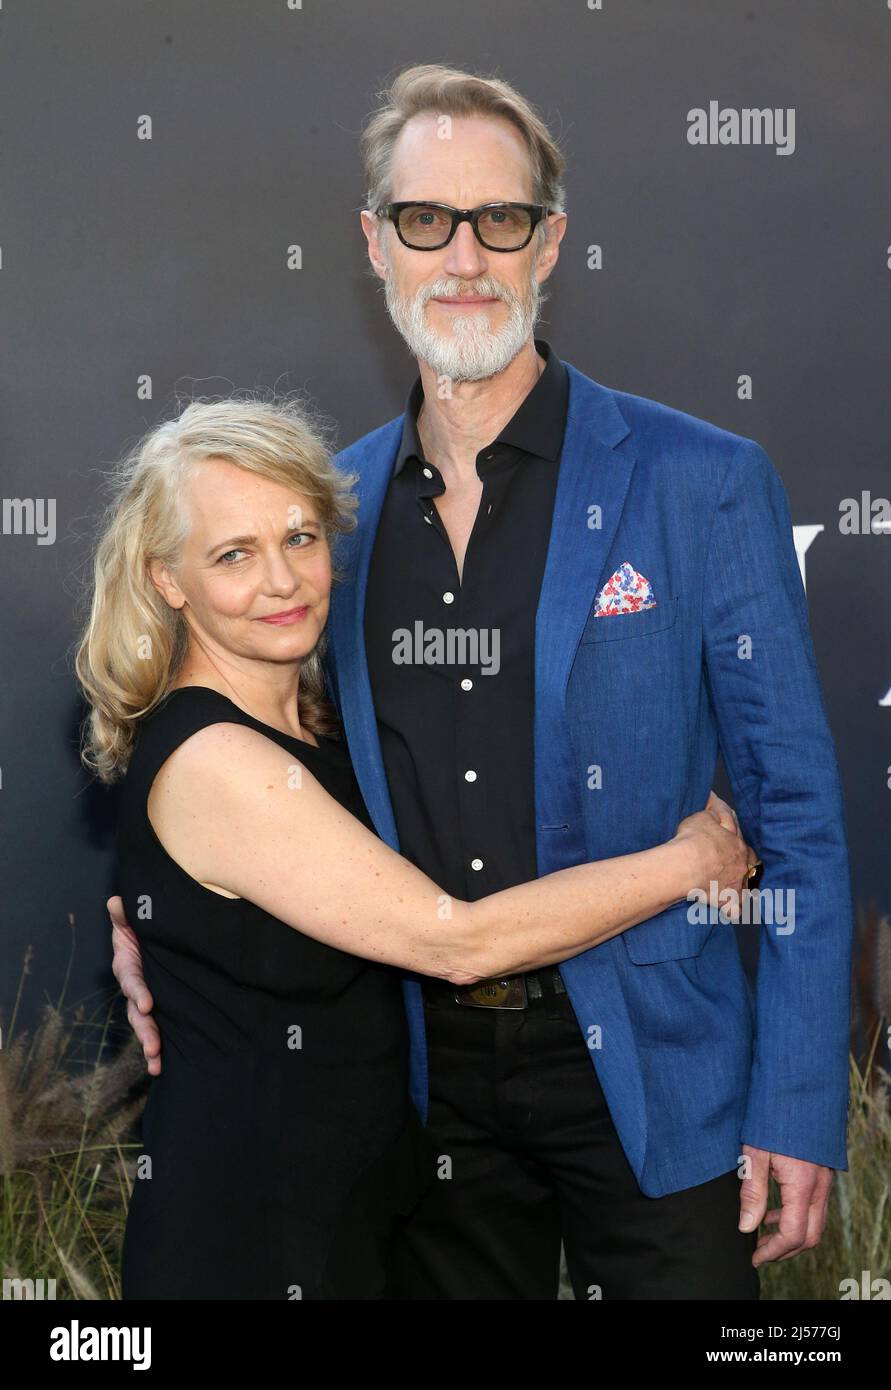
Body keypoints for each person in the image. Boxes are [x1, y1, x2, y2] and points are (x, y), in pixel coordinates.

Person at [111, 63, 854, 1301]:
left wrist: (799, 1100)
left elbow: (798, 822)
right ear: (375, 244)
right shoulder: (329, 525)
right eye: (425, 220)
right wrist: (150, 916)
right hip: (420, 1089)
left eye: (498, 220)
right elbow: (248, 756)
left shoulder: (700, 480)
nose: (463, 255)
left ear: (550, 242)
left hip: (658, 1069)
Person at [79, 397, 750, 1300]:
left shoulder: (317, 727)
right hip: (254, 1233)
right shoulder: (217, 758)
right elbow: (456, 941)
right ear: (167, 580)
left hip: (361, 1214)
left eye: (301, 538)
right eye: (232, 555)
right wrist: (688, 863)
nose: (282, 580)